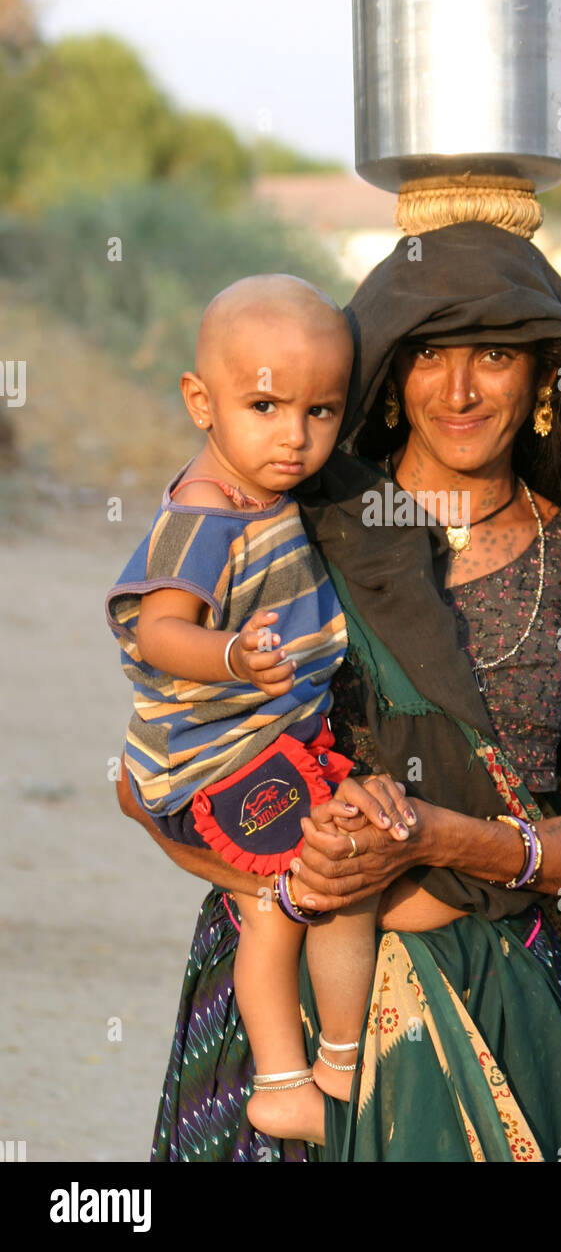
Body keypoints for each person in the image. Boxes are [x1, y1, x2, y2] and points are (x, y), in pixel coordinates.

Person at [118, 223, 561, 1162]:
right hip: (287, 1005)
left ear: (541, 379)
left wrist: (447, 842)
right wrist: (293, 878)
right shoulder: (297, 525)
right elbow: (153, 778)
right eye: (430, 353)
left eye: (493, 354)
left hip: (496, 1001)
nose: (459, 389)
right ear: (391, 376)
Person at [106, 273, 416, 1147]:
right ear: (201, 402)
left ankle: (323, 1070)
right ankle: (301, 1077)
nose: (295, 437)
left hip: (263, 743)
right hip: (217, 757)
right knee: (305, 892)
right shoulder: (205, 514)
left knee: (314, 883)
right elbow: (163, 630)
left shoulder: (265, 494)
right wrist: (233, 653)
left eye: (321, 412)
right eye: (267, 405)